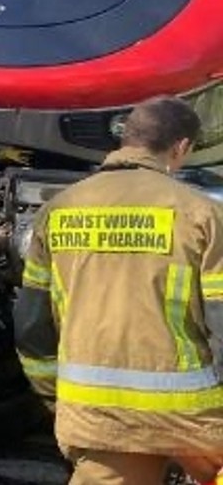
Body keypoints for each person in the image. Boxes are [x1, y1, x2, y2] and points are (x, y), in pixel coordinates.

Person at [14, 95, 223, 485]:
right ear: (181, 148)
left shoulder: (57, 210)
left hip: (98, 418)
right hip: (196, 422)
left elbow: (30, 326)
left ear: (124, 139)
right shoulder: (203, 214)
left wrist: (56, 398)